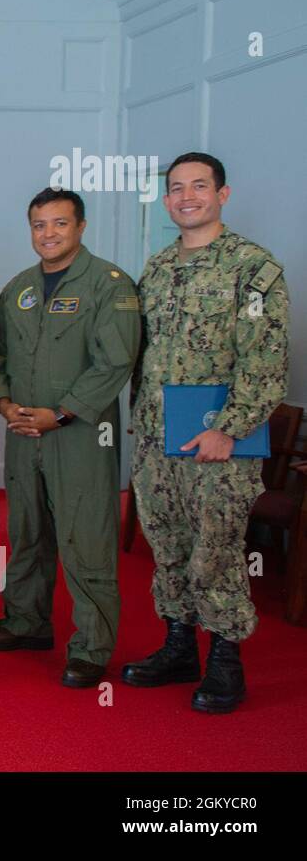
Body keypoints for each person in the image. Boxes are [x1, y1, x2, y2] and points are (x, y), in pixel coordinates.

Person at [123, 152, 289, 713]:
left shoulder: (252, 267)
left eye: (199, 185)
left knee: (215, 551)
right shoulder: (158, 267)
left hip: (219, 445)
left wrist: (229, 430)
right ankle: (178, 646)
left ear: (223, 193)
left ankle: (225, 660)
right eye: (176, 188)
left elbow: (265, 363)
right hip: (155, 438)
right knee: (167, 545)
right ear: (166, 200)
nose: (186, 196)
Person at [0, 187, 141, 688]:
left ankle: (91, 647)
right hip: (23, 430)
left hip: (81, 435)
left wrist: (62, 413)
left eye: (59, 224)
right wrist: (4, 405)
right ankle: (26, 622)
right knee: (27, 529)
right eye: (39, 225)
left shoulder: (109, 285)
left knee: (85, 537)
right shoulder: (20, 288)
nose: (48, 234)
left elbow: (115, 361)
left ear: (81, 227)